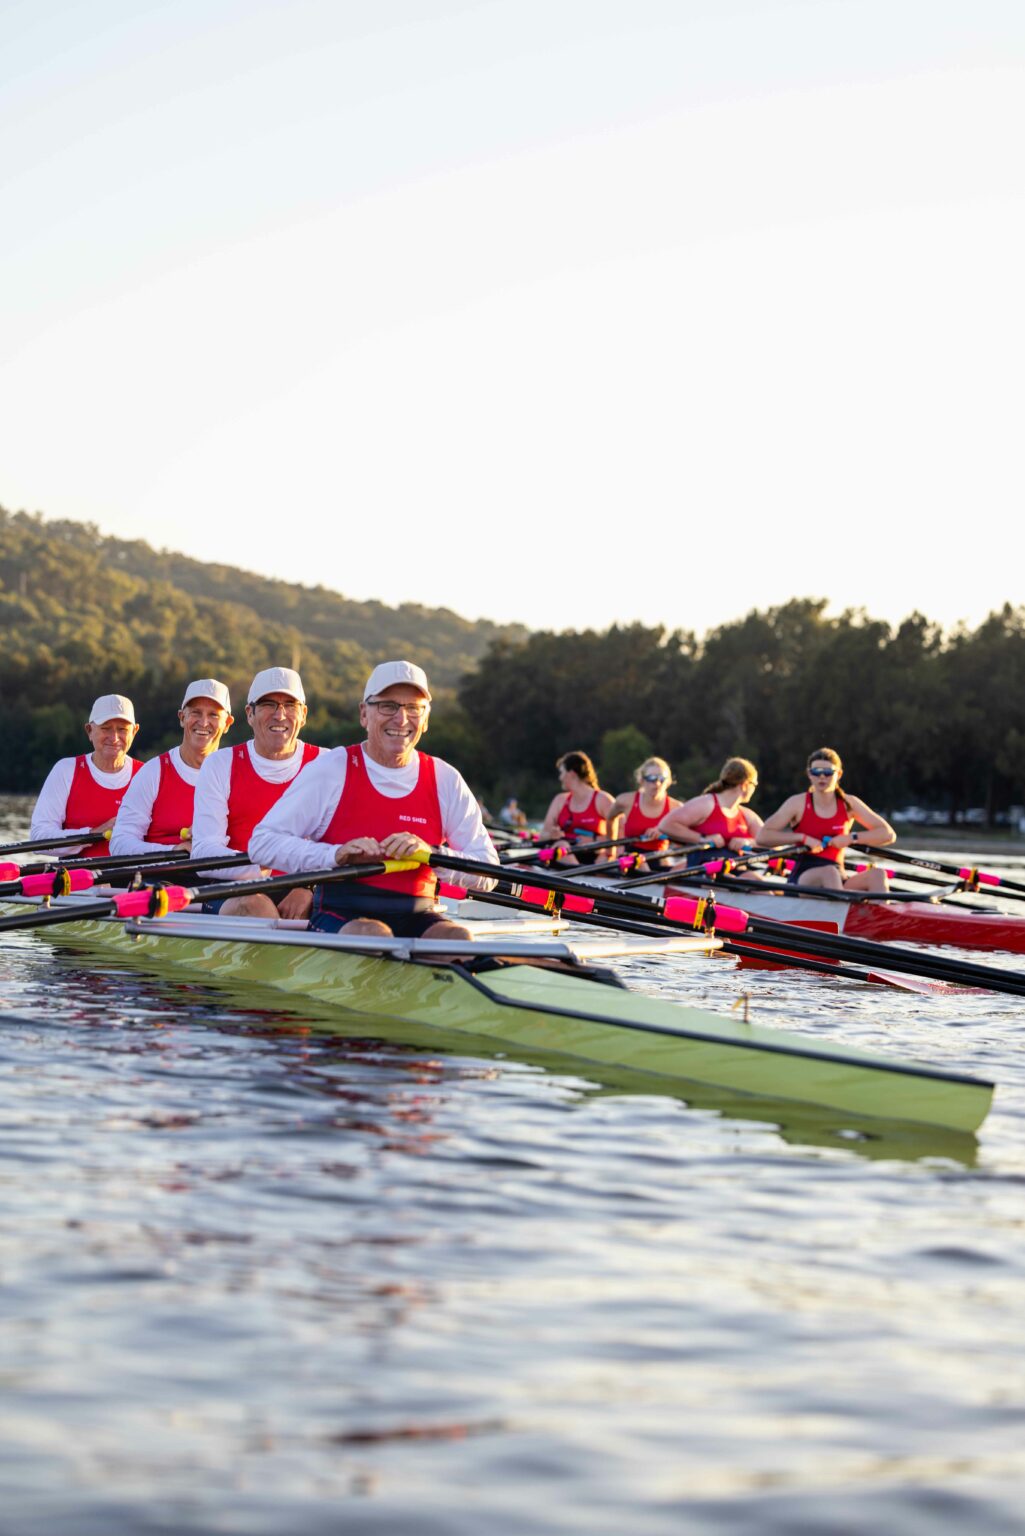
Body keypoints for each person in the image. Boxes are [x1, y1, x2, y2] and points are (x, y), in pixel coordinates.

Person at [250, 659, 498, 940]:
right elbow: (262, 843)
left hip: (417, 914)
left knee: (458, 939)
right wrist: (335, 854)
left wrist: (433, 854)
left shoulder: (445, 778)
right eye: (388, 706)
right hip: (341, 912)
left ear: (426, 719)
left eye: (413, 708)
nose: (401, 719)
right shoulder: (332, 769)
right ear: (364, 714)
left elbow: (488, 872)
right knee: (374, 934)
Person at [191, 667, 320, 917]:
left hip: (308, 890)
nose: (280, 715)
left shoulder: (326, 763)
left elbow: (340, 846)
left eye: (290, 705)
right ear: (250, 713)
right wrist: (264, 862)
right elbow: (204, 851)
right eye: (268, 705)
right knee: (255, 906)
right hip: (236, 891)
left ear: (303, 714)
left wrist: (308, 886)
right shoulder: (220, 764)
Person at [110, 679, 234, 856]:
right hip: (161, 880)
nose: (204, 722)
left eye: (214, 715)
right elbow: (120, 843)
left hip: (220, 878)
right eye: (196, 713)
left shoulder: (237, 772)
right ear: (182, 718)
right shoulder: (153, 772)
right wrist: (174, 850)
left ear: (227, 723)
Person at [754, 747, 895, 891]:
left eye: (828, 773)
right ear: (809, 774)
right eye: (816, 772)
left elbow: (888, 834)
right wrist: (802, 838)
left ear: (838, 774)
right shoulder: (797, 803)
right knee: (829, 873)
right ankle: (843, 909)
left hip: (838, 875)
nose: (822, 777)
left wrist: (852, 838)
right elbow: (763, 837)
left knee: (878, 875)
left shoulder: (849, 804)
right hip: (804, 876)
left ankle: (879, 912)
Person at [30, 694, 143, 858]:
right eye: (106, 728)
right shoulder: (66, 770)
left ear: (134, 732)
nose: (114, 738)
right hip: (77, 880)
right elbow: (39, 837)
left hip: (133, 881)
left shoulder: (148, 774)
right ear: (90, 731)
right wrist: (94, 834)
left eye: (122, 729)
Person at [657, 757, 763, 868]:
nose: (754, 788)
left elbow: (771, 842)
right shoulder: (706, 804)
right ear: (745, 785)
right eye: (754, 784)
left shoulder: (747, 815)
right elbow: (665, 825)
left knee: (756, 880)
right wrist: (702, 838)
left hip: (733, 869)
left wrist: (748, 842)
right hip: (703, 870)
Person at [539, 751, 617, 865]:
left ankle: (580, 874)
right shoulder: (560, 801)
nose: (560, 778)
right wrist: (551, 835)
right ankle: (578, 873)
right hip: (564, 856)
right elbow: (542, 836)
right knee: (562, 846)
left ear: (572, 774)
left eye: (562, 773)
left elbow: (619, 838)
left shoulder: (603, 800)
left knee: (563, 847)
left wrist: (595, 842)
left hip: (595, 858)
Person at [608, 757, 681, 865]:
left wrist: (665, 830)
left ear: (668, 782)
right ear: (641, 780)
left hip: (660, 858)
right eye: (651, 778)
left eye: (661, 778)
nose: (657, 784)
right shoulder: (625, 801)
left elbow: (685, 841)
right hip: (629, 859)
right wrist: (610, 852)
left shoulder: (676, 808)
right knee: (640, 863)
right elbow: (610, 818)